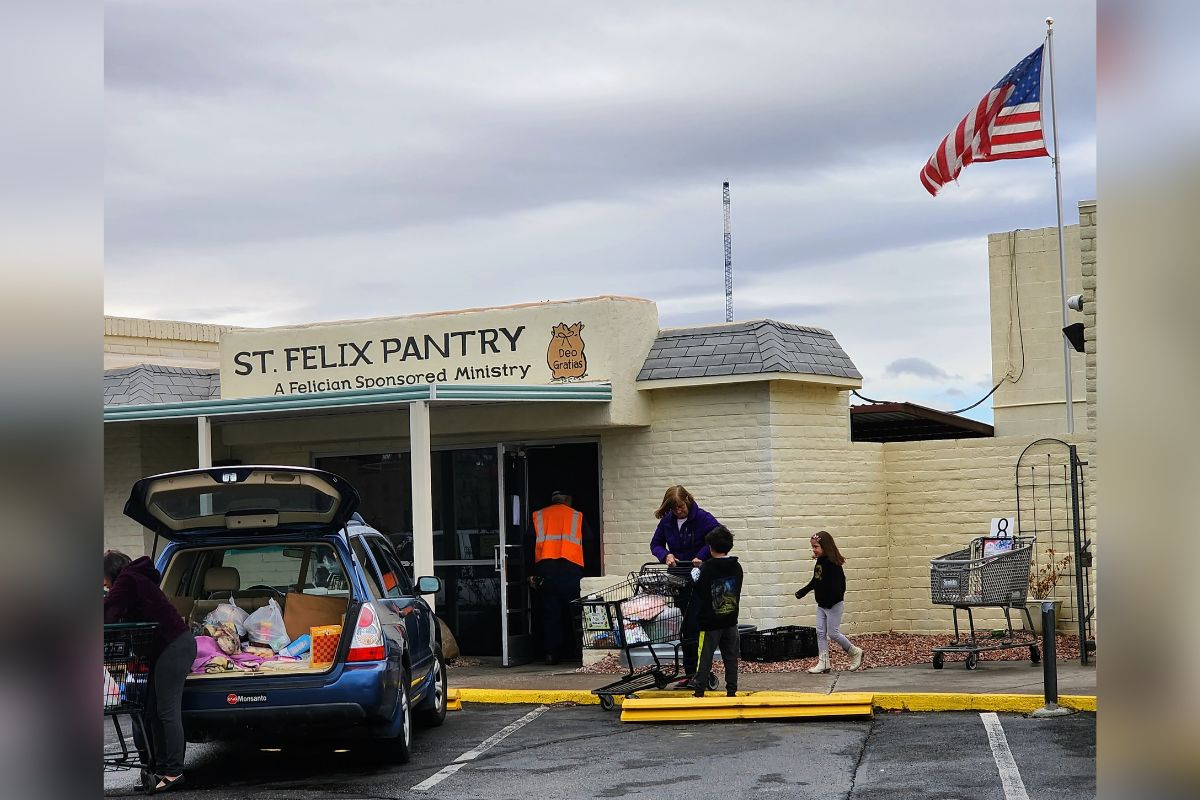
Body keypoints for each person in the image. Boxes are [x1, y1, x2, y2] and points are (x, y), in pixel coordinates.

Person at [104, 550, 197, 794]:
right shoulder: (135, 579)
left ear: (111, 572)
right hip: (164, 647)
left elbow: (108, 612)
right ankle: (161, 769)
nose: (103, 584)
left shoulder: (128, 580)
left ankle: (174, 772)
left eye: (103, 578)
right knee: (152, 710)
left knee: (166, 710)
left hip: (173, 645)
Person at [649, 485, 722, 688]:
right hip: (679, 578)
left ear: (687, 501)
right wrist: (666, 555)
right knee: (686, 627)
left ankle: (698, 672)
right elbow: (655, 544)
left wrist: (702, 555)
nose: (678, 511)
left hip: (699, 577)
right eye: (674, 509)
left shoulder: (702, 517)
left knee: (693, 625)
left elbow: (720, 537)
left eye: (681, 507)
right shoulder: (667, 521)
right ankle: (692, 672)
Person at [530, 491, 587, 665]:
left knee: (551, 615)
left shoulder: (539, 516)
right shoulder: (576, 516)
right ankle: (579, 651)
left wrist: (531, 573)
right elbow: (590, 539)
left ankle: (551, 654)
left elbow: (528, 543)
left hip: (546, 572)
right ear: (567, 500)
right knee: (576, 613)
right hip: (571, 570)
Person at [794, 531, 864, 674]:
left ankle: (855, 651)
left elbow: (841, 586)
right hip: (822, 605)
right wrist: (803, 591)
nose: (814, 550)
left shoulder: (834, 564)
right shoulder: (820, 562)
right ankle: (824, 662)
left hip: (833, 605)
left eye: (816, 547)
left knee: (833, 633)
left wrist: (832, 600)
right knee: (820, 632)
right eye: (812, 547)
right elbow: (815, 580)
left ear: (825, 546)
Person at [689, 526, 743, 698]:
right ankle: (731, 691)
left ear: (710, 548)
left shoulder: (706, 569)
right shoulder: (737, 567)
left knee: (704, 658)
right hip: (730, 620)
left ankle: (699, 692)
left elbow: (699, 590)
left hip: (709, 623)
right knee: (731, 658)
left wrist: (695, 572)